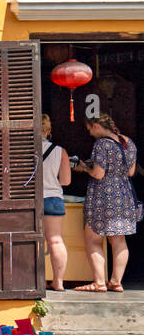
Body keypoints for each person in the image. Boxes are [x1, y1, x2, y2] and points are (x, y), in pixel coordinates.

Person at [74, 114, 142, 291]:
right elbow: (130, 172)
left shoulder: (102, 144)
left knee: (92, 238)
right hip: (124, 196)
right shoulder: (129, 143)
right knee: (119, 240)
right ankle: (116, 282)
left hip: (104, 197)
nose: (90, 133)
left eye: (90, 129)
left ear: (96, 125)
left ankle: (99, 282)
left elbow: (98, 174)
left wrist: (83, 167)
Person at [41, 114, 72, 291]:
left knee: (28, 241)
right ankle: (58, 282)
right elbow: (66, 181)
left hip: (29, 199)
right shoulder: (60, 151)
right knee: (56, 241)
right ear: (49, 130)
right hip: (53, 198)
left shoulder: (20, 149)